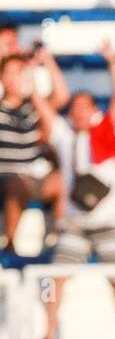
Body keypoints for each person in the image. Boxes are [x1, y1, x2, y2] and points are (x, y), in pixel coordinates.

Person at [44, 48, 115, 339]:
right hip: (75, 222)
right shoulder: (65, 138)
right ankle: (49, 332)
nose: (78, 112)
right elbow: (44, 110)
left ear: (93, 110)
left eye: (84, 106)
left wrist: (114, 65)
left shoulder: (106, 132)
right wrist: (45, 64)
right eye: (74, 107)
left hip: (108, 221)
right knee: (53, 282)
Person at [0, 54, 60, 257]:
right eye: (12, 73)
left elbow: (60, 101)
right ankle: (10, 245)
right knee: (16, 184)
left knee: (62, 181)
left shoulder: (32, 109)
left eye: (21, 72)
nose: (17, 78)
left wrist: (46, 64)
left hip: (34, 175)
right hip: (7, 176)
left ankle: (59, 238)